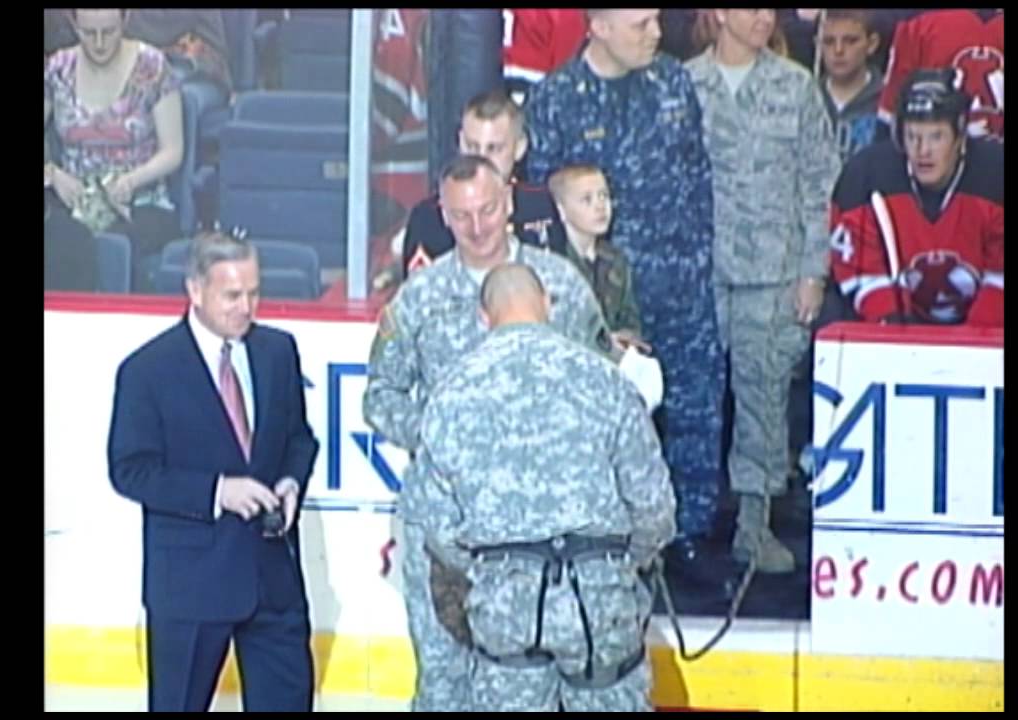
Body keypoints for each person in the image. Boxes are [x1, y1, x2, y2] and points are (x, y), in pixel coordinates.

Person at [363, 155, 609, 711]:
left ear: (511, 206)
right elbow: (380, 397)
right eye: (462, 214)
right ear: (443, 216)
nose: (478, 227)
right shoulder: (420, 299)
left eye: (489, 210)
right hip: (446, 531)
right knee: (445, 685)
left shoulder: (560, 288)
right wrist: (440, 439)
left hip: (543, 530)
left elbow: (602, 383)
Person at [406, 262, 676, 712]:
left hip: (506, 610)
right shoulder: (606, 381)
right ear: (548, 305)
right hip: (598, 603)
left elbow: (437, 528)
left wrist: (491, 572)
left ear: (483, 318)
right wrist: (622, 566)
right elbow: (655, 508)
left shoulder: (450, 396)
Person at [525, 9, 726, 579]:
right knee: (607, 422)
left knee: (694, 410)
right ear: (601, 26)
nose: (656, 32)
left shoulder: (673, 83)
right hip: (603, 295)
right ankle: (612, 542)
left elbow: (697, 177)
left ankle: (690, 538)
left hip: (680, 280)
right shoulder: (558, 99)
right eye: (640, 22)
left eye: (657, 19)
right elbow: (546, 211)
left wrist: (700, 259)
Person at [107, 231, 320, 711]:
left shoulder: (277, 352)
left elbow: (298, 440)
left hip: (272, 579)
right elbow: (130, 470)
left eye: (254, 293)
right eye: (232, 295)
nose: (246, 307)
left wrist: (289, 483)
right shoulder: (147, 371)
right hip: (190, 584)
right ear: (195, 290)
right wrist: (217, 492)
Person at [686, 9, 840, 575]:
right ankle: (689, 527)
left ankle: (755, 527)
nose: (762, 17)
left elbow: (818, 184)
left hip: (773, 274)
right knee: (692, 405)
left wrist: (812, 272)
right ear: (720, 14)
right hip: (700, 274)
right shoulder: (685, 84)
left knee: (764, 403)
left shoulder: (795, 86)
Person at [830, 68, 1004, 327]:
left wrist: (973, 341)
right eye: (913, 136)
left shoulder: (995, 176)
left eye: (936, 137)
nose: (923, 151)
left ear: (959, 138)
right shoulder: (866, 176)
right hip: (898, 333)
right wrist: (897, 335)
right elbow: (861, 275)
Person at [45, 8, 184, 292]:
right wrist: (52, 174)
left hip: (141, 201)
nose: (98, 43)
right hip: (73, 200)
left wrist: (131, 182)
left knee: (111, 243)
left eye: (108, 32)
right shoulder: (59, 67)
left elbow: (173, 151)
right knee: (62, 238)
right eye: (88, 33)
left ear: (126, 20)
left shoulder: (153, 67)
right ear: (74, 24)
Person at [394, 88, 567, 284]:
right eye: (472, 146)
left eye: (494, 148)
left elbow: (558, 281)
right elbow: (420, 295)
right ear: (460, 142)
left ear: (519, 148)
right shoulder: (429, 217)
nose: (481, 159)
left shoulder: (538, 205)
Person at [547, 164, 646, 352]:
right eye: (587, 199)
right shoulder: (555, 266)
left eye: (604, 196)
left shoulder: (615, 259)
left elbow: (630, 320)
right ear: (561, 210)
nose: (600, 206)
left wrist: (627, 339)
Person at [877, 9, 1004, 140]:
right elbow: (890, 117)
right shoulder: (919, 27)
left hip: (930, 150)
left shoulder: (919, 26)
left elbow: (889, 122)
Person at [817, 9, 885, 162]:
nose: (838, 50)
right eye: (829, 41)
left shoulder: (887, 102)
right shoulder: (806, 97)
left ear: (872, 44)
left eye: (850, 41)